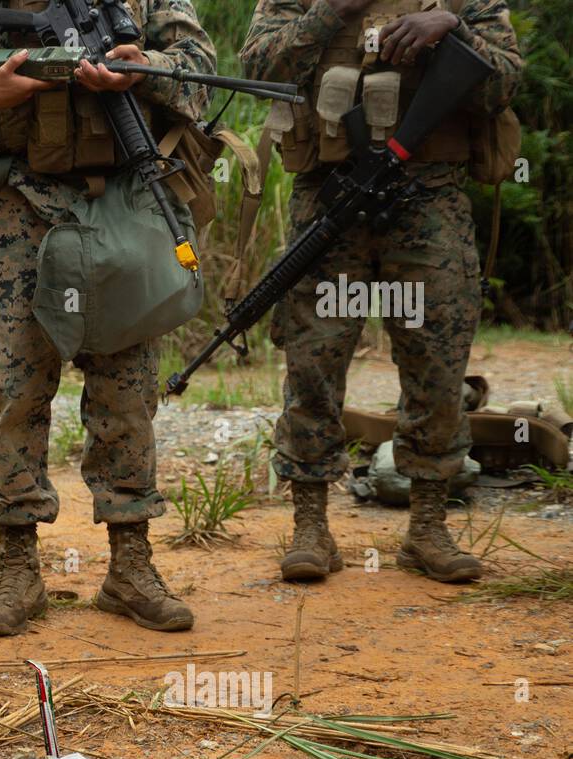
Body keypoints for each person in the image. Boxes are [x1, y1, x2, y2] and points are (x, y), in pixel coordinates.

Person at [0, 0, 215, 637]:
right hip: (17, 203)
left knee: (127, 390)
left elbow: (201, 70)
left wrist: (145, 70)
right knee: (17, 388)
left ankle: (131, 565)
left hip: (124, 202)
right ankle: (18, 566)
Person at [239, 0, 522, 583]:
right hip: (331, 196)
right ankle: (311, 526)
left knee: (437, 363)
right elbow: (259, 68)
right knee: (313, 359)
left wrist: (453, 27)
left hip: (430, 198)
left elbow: (504, 83)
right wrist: (329, 13)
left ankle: (428, 528)